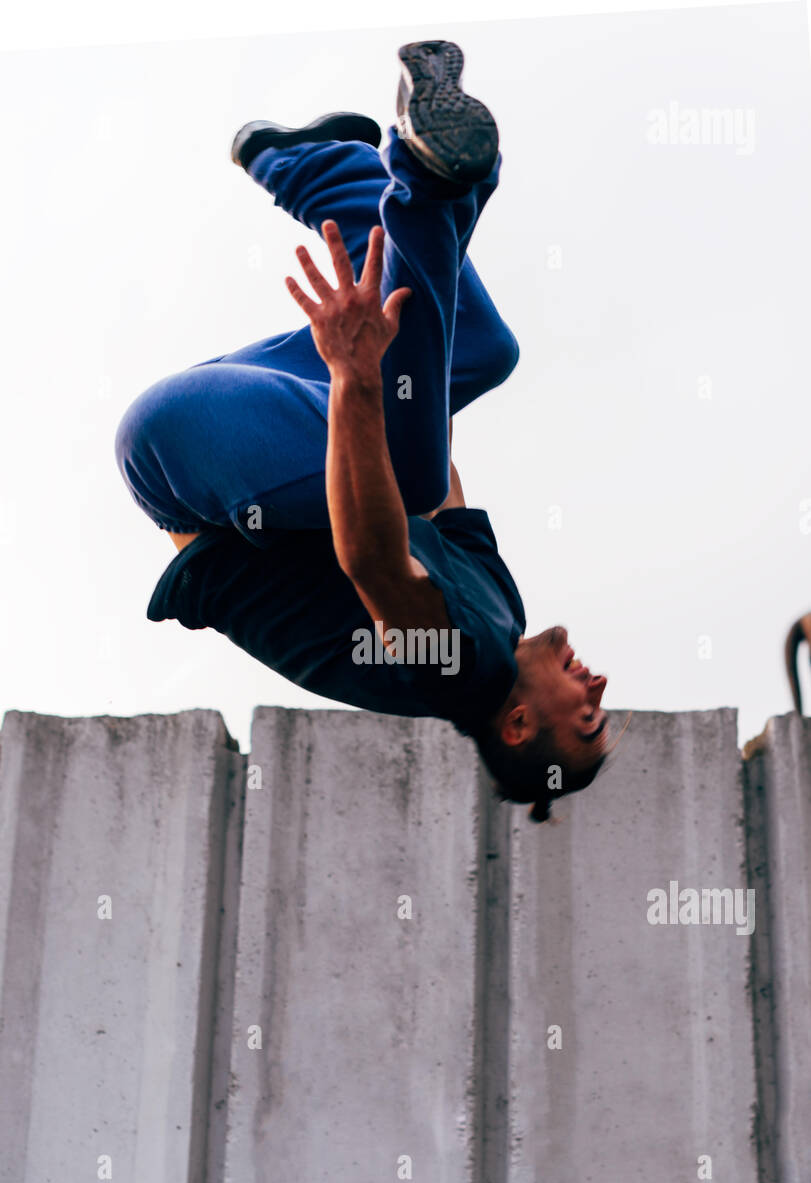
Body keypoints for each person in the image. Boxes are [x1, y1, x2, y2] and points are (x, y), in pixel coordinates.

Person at [115, 39, 609, 822]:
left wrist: (355, 376)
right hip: (250, 418)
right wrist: (421, 306)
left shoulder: (452, 673)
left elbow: (374, 559)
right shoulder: (499, 611)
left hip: (189, 466)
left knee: (406, 468)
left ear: (517, 726)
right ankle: (317, 162)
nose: (598, 688)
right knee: (482, 355)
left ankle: (425, 180)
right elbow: (438, 466)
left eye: (585, 717)